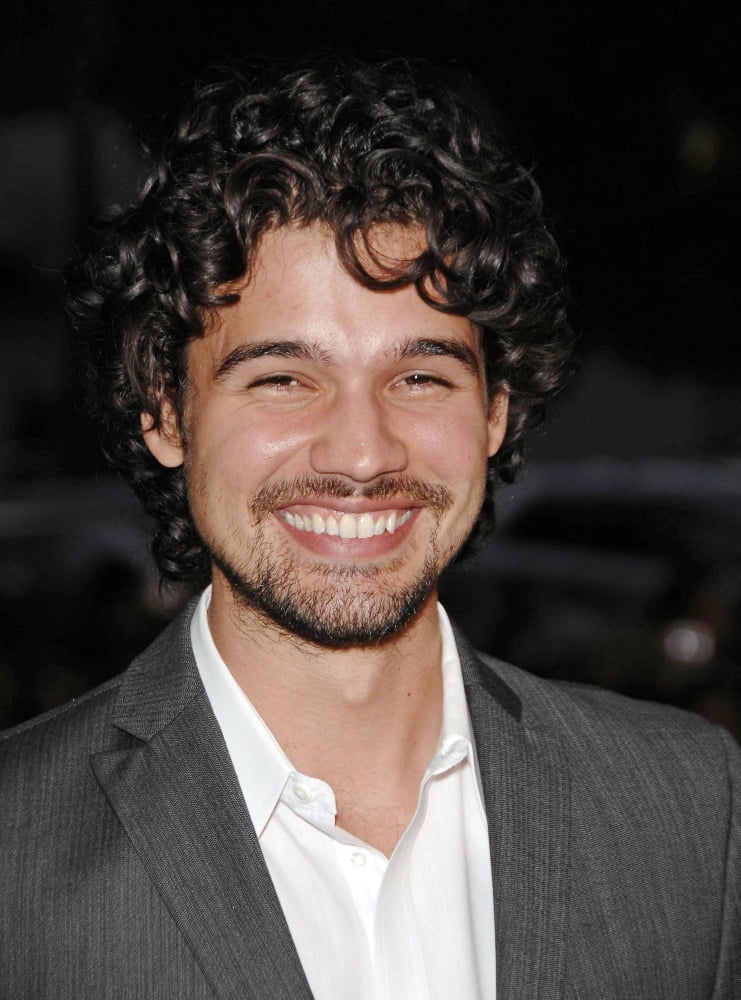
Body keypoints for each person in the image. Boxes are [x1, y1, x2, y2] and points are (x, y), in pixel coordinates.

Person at [1, 52, 738, 1000]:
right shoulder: (18, 851)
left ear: (495, 413)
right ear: (166, 416)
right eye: (282, 378)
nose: (360, 453)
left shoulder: (688, 811)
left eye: (420, 376)